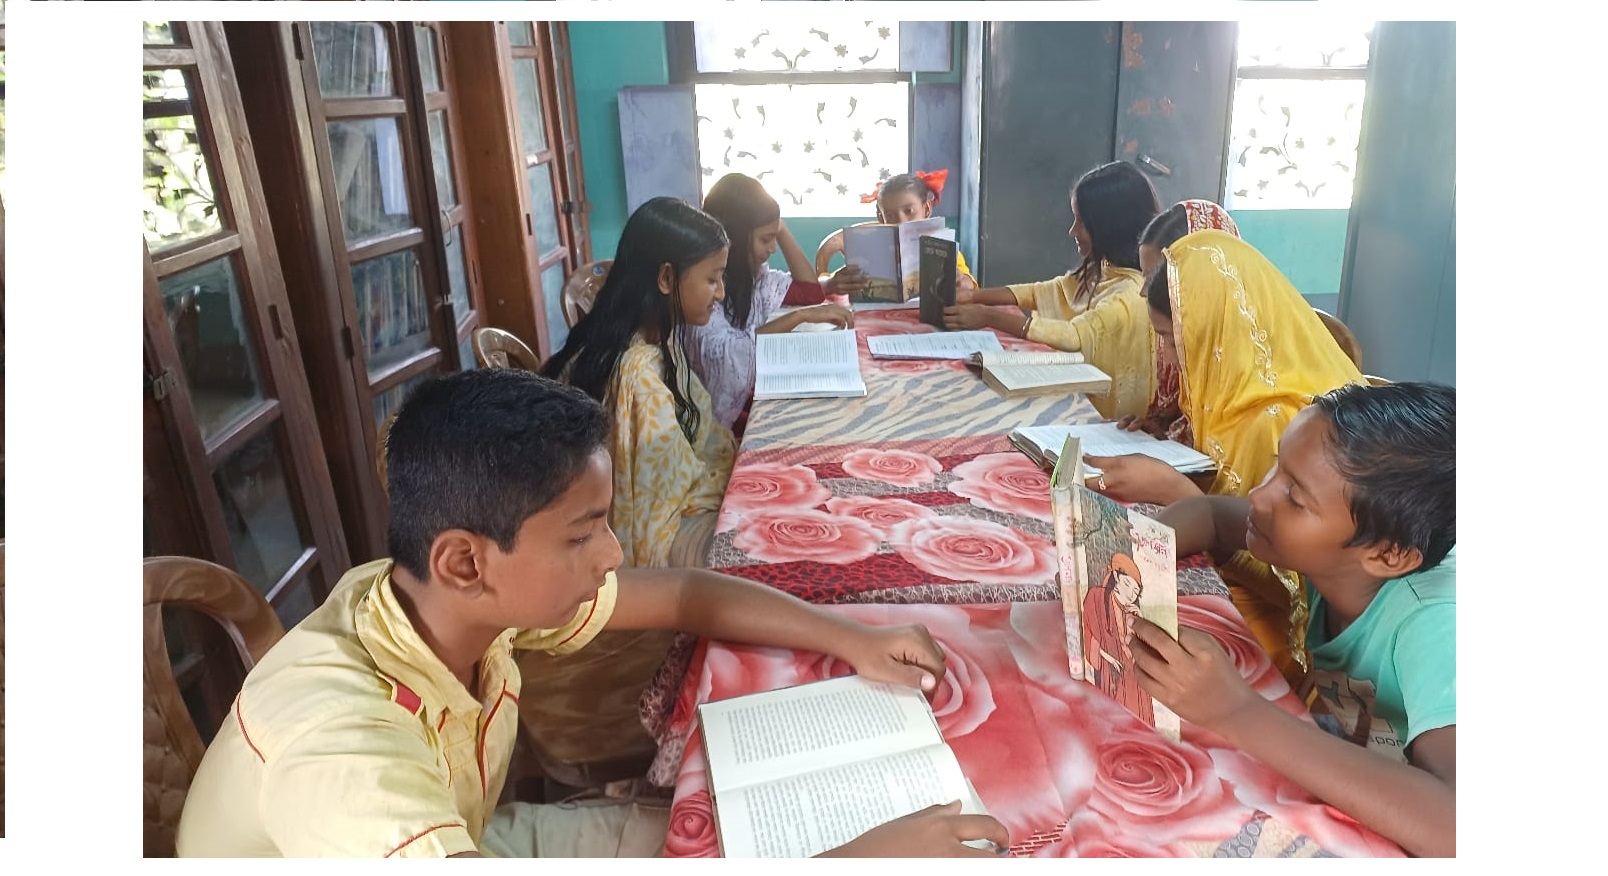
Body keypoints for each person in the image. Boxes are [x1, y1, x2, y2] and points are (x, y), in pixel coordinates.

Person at [175, 368, 1013, 858]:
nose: (613, 555)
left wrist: (852, 637)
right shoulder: (343, 753)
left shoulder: (439, 600)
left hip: (470, 831)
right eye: (585, 534)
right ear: (465, 558)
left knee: (716, 824)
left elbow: (685, 592)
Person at [1131, 381, 1455, 858]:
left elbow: (1456, 829)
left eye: (1296, 498)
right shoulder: (1345, 551)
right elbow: (1213, 514)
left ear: (1387, 555)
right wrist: (1137, 550)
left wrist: (1236, 712)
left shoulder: (1433, 629)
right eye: (1279, 468)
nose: (1261, 495)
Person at [1084, 229, 1364, 685]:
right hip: (1215, 553)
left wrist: (1177, 490)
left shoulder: (1278, 419)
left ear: (1217, 330)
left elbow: (1296, 589)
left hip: (1276, 626)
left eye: (1174, 341)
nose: (1170, 361)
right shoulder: (1226, 385)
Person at [540, 197, 736, 569]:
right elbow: (662, 503)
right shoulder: (636, 375)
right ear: (665, 278)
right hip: (632, 545)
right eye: (712, 278)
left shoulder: (632, 338)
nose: (721, 292)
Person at [943, 160, 1160, 420]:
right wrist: (975, 295)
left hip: (1108, 419)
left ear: (1108, 226)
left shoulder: (1130, 293)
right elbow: (1045, 291)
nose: (1072, 231)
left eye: (1081, 222)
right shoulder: (1103, 269)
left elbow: (1073, 336)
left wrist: (989, 316)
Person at [685, 173, 859, 434]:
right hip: (719, 421)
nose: (773, 248)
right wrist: (800, 317)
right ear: (736, 237)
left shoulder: (753, 278)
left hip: (750, 394)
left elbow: (810, 292)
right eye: (766, 239)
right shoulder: (701, 287)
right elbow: (728, 355)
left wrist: (781, 227)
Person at [1120, 199, 1242, 443]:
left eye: (1156, 277)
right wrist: (1160, 429)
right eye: (1144, 276)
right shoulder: (1177, 337)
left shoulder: (1242, 360)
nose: (1144, 291)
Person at [861, 170, 976, 288]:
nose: (901, 222)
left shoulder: (944, 248)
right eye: (890, 216)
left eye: (909, 211)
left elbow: (969, 283)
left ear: (926, 209)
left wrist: (962, 281)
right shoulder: (874, 251)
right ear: (881, 219)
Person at [1081, 553, 1153, 725]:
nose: (1131, 594)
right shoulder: (1097, 597)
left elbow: (1143, 649)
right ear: (1115, 576)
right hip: (1110, 669)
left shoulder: (1133, 612)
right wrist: (1107, 657)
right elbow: (1088, 634)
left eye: (1136, 591)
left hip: (1134, 674)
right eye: (1128, 584)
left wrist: (1140, 621)